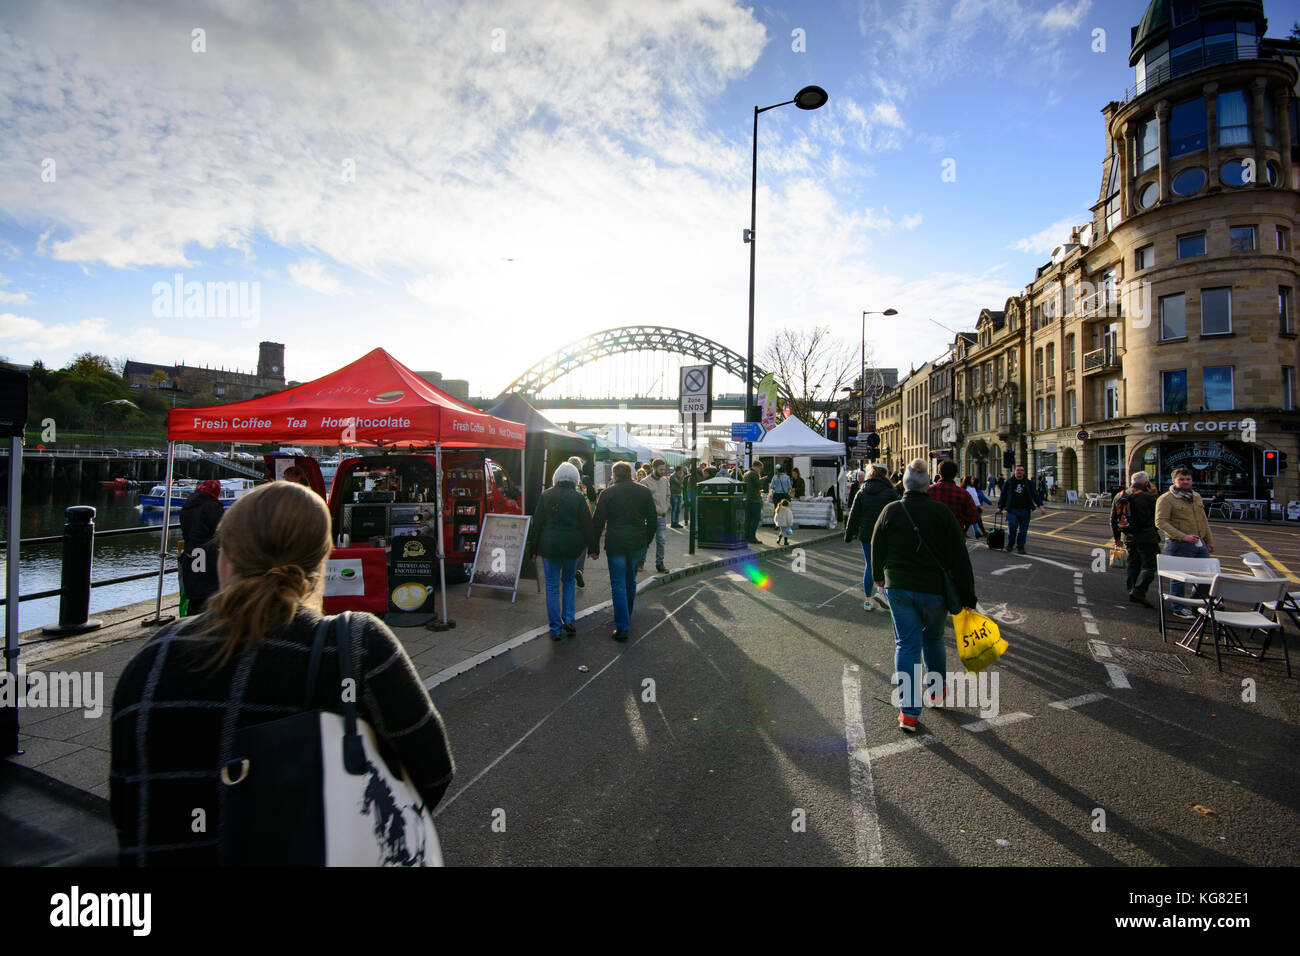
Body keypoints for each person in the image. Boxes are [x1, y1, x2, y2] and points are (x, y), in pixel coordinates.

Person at [110, 481, 454, 865]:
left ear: (226, 558)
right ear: (321, 562)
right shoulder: (355, 645)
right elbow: (433, 772)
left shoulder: (152, 659)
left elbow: (128, 804)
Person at [872, 460, 978, 732]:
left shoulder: (891, 510)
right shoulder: (941, 513)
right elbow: (959, 556)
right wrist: (968, 596)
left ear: (905, 483)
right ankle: (937, 693)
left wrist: (878, 576)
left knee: (906, 645)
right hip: (934, 590)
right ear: (926, 484)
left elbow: (876, 544)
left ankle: (908, 712)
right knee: (934, 638)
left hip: (899, 587)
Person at [526, 462, 596, 639]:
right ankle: (569, 619)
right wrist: (593, 548)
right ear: (575, 478)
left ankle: (555, 628)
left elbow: (537, 524)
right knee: (569, 581)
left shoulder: (545, 495)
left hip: (549, 546)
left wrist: (532, 549)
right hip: (572, 546)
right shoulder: (579, 498)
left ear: (556, 477)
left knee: (551, 585)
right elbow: (587, 525)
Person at [592, 461, 657, 642]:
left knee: (618, 584)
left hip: (615, 543)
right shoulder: (643, 491)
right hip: (637, 542)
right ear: (631, 473)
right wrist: (647, 540)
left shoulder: (607, 493)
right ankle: (627, 613)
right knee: (631, 580)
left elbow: (597, 522)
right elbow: (652, 519)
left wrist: (593, 547)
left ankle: (622, 626)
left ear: (614, 475)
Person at [1155, 466, 1215, 616]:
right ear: (1173, 480)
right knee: (1179, 578)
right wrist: (1183, 536)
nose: (1185, 482)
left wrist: (1209, 540)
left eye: (1188, 479)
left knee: (1208, 576)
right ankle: (1179, 607)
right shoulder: (1166, 499)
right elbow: (1161, 522)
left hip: (1199, 543)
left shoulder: (1196, 497)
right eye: (1181, 479)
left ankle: (1197, 604)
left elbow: (1203, 520)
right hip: (1178, 543)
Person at [844, 463, 899, 612]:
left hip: (867, 534)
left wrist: (848, 534)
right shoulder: (890, 492)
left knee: (869, 564)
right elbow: (899, 511)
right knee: (885, 565)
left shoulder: (862, 492)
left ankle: (868, 601)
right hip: (886, 534)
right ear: (884, 476)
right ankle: (881, 592)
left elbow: (854, 515)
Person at [1111, 471, 1160, 608]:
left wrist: (1116, 538)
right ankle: (1139, 590)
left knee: (1133, 563)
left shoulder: (1119, 495)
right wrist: (1154, 493)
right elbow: (1157, 516)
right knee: (1150, 565)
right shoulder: (1148, 497)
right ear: (1146, 483)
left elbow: (1113, 519)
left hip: (1128, 536)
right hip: (1147, 536)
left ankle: (1132, 589)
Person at [179, 479, 224, 615]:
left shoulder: (188, 505)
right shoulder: (212, 506)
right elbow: (221, 530)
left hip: (191, 553)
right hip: (208, 554)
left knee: (195, 591)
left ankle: (191, 619)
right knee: (209, 591)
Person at [996, 464, 1046, 554]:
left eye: (1021, 470)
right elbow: (1003, 496)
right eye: (1018, 470)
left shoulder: (1028, 483)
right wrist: (1000, 507)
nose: (1019, 472)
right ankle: (1010, 544)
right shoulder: (1009, 482)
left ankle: (1020, 546)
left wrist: (1041, 506)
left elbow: (1035, 495)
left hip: (1025, 510)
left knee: (1023, 530)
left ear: (1024, 472)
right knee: (1013, 527)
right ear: (1014, 471)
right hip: (1012, 510)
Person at [928, 460, 980, 535]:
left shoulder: (929, 491)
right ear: (955, 474)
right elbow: (975, 517)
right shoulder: (963, 494)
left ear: (939, 473)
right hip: (956, 536)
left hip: (933, 536)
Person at [567, 455, 595, 588]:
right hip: (583, 514)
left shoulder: (565, 478)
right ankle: (578, 569)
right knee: (582, 543)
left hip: (568, 514)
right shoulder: (585, 479)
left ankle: (568, 568)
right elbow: (592, 496)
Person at [640, 458, 671, 574]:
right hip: (649, 517)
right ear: (654, 468)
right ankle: (641, 562)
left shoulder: (665, 481)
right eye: (661, 469)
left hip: (662, 516)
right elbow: (642, 501)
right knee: (646, 540)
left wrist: (666, 507)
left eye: (664, 469)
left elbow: (668, 495)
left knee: (661, 540)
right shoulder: (644, 482)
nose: (663, 471)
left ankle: (660, 564)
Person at [743, 459, 764, 543]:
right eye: (760, 468)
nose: (760, 470)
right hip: (754, 499)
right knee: (755, 518)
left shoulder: (746, 474)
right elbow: (758, 485)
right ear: (756, 467)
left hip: (747, 499)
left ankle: (746, 536)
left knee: (748, 519)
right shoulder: (754, 474)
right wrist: (763, 479)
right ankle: (752, 537)